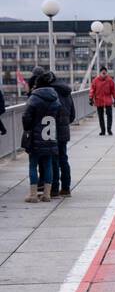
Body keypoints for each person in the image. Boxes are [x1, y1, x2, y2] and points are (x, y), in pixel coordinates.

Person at [22, 70, 67, 203]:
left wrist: (28, 128)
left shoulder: (34, 98)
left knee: (33, 165)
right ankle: (47, 194)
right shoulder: (55, 98)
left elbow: (26, 117)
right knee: (48, 165)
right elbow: (59, 116)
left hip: (36, 136)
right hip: (50, 136)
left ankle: (33, 195)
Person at [34, 69, 74, 197]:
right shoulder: (67, 92)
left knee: (54, 160)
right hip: (64, 129)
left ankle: (54, 189)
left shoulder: (50, 94)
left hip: (52, 129)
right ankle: (66, 188)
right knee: (64, 158)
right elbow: (72, 115)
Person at [90, 67, 115, 136]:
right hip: (99, 100)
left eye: (105, 73)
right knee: (100, 116)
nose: (104, 74)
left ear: (106, 73)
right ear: (100, 73)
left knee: (109, 115)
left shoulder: (110, 80)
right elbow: (92, 90)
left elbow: (113, 90)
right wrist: (91, 98)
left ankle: (109, 129)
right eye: (102, 73)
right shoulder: (95, 80)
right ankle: (102, 130)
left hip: (108, 100)